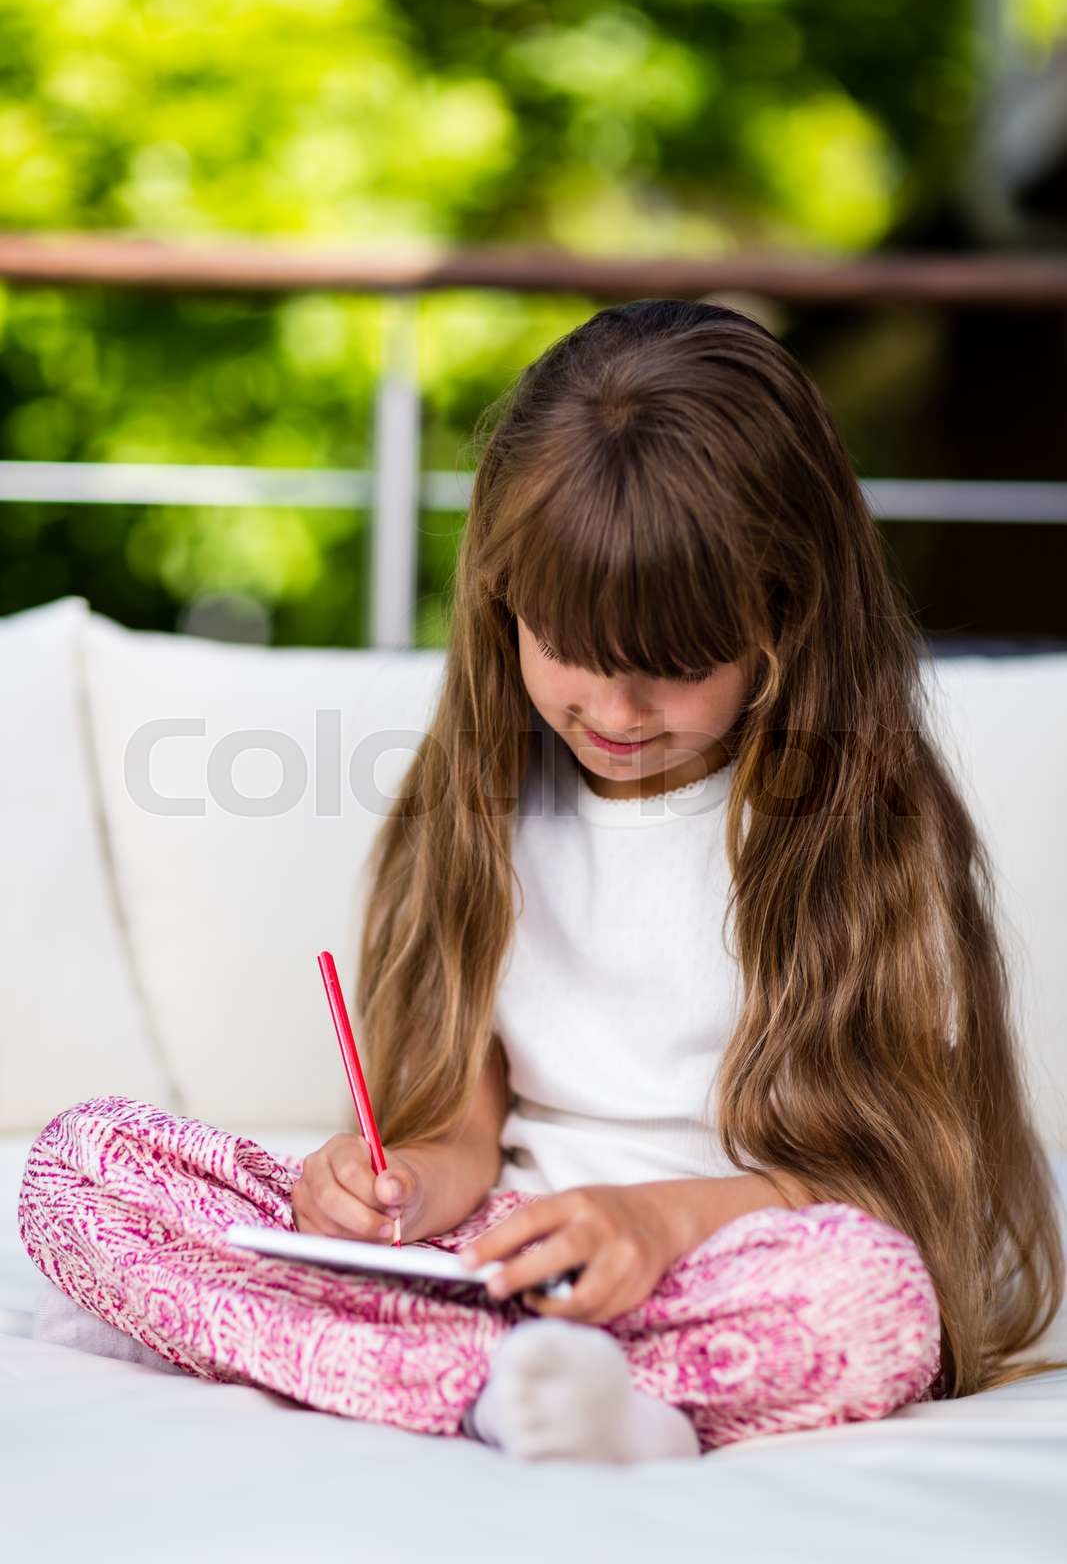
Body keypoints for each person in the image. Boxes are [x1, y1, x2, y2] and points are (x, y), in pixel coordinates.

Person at [20, 300, 1065, 1462]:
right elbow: (462, 1133)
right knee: (84, 1165)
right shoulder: (479, 804)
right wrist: (397, 1184)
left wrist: (648, 1223)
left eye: (671, 665)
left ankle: (393, 1366)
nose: (614, 711)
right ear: (502, 597)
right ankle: (515, 1386)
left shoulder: (857, 828)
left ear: (786, 616)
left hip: (716, 1261)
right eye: (571, 647)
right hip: (489, 1258)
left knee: (866, 1297)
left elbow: (883, 1197)